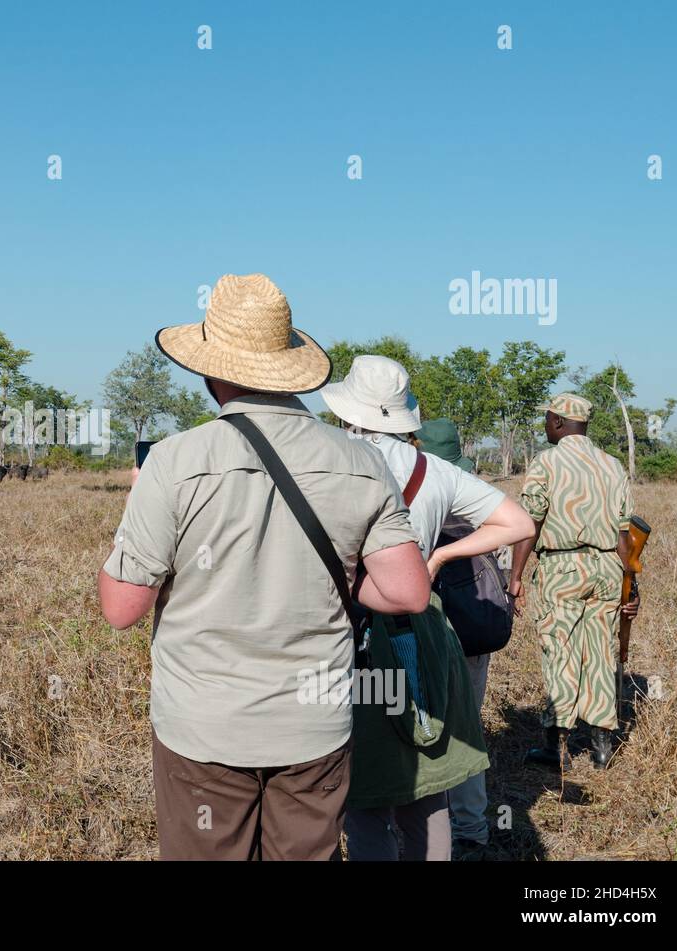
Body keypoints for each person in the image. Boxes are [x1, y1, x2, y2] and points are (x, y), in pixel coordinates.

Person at [98, 274, 431, 861]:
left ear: (210, 370)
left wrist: (134, 518)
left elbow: (122, 608)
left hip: (205, 731)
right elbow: (407, 594)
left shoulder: (174, 462)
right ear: (290, 369)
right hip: (314, 730)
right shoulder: (361, 461)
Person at [320, 357, 535, 861]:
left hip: (354, 631)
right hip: (424, 629)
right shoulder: (432, 469)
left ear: (348, 409)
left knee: (366, 792)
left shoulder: (333, 459)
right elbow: (519, 523)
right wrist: (438, 556)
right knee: (429, 779)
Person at [508, 394, 641, 770]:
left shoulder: (546, 463)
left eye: (548, 419)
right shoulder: (612, 465)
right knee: (600, 653)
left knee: (559, 649)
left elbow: (529, 523)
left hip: (562, 567)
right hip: (607, 568)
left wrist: (515, 577)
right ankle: (601, 747)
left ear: (559, 423)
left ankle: (557, 746)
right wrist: (630, 580)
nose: (545, 425)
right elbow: (624, 534)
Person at [415, 416, 497, 857]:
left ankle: (431, 828)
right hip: (473, 632)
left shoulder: (417, 494)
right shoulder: (478, 502)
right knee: (468, 728)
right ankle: (471, 827)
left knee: (423, 729)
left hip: (425, 631)